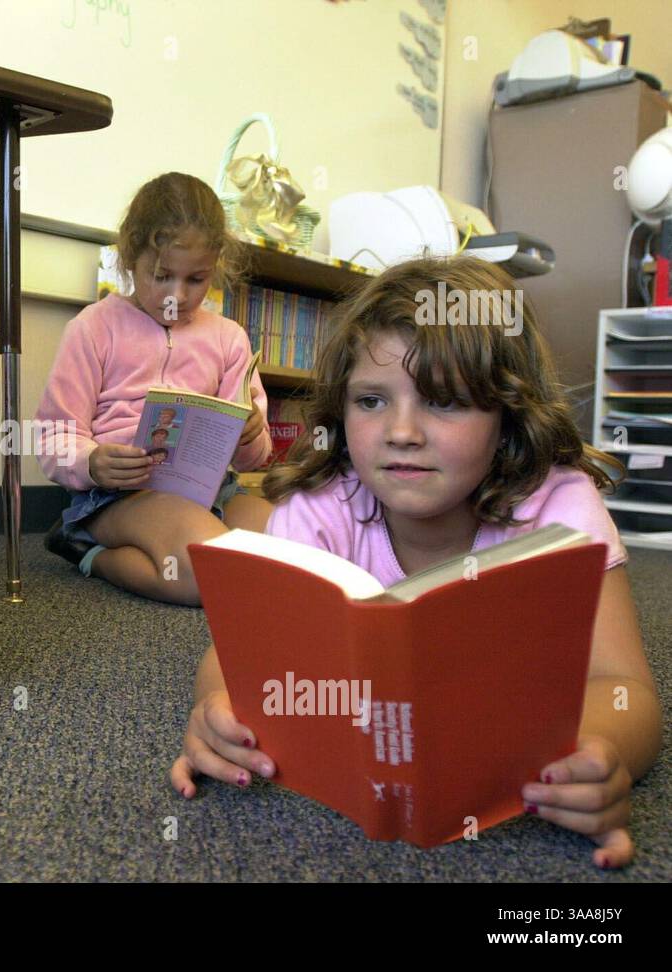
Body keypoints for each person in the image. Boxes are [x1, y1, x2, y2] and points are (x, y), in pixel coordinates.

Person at [171, 256, 661, 868]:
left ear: (507, 418)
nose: (401, 431)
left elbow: (626, 691)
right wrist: (219, 712)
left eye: (445, 401)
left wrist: (598, 752)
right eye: (372, 400)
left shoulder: (562, 508)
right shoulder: (321, 508)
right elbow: (236, 658)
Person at [34, 172, 273, 605]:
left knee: (300, 554)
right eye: (161, 275)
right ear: (130, 258)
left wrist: (252, 433)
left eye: (196, 280)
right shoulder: (93, 328)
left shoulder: (229, 337)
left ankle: (190, 535)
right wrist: (91, 462)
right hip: (118, 496)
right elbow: (54, 435)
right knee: (213, 574)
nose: (175, 296)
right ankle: (90, 553)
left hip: (216, 491)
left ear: (215, 267)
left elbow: (255, 457)